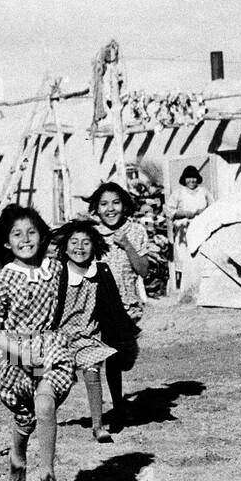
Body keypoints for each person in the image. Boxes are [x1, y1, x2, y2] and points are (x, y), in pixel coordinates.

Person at [0, 205, 76, 481]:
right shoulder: (2, 280)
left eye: (32, 232)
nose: (26, 239)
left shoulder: (57, 269)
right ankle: (18, 460)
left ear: (42, 235)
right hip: (16, 355)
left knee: (45, 406)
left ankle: (47, 474)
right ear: (7, 242)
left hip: (50, 349)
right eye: (17, 234)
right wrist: (20, 354)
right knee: (25, 418)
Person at [51, 220, 137, 444]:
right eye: (74, 242)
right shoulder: (58, 271)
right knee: (53, 381)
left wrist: (124, 333)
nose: (79, 247)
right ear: (65, 246)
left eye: (86, 242)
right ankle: (40, 416)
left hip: (89, 336)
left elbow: (113, 306)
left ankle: (98, 426)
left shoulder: (100, 272)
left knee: (92, 372)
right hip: (59, 337)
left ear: (95, 246)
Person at [89, 181, 151, 430]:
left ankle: (117, 403)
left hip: (127, 304)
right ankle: (113, 408)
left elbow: (144, 271)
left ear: (124, 205)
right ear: (96, 208)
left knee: (125, 359)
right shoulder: (91, 234)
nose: (110, 209)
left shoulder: (136, 231)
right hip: (98, 303)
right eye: (104, 204)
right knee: (109, 357)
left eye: (115, 202)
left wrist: (127, 245)